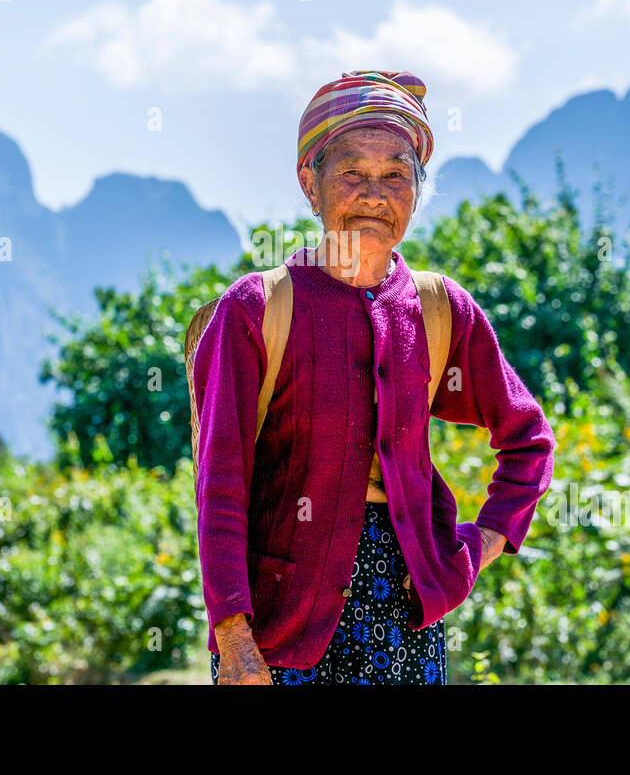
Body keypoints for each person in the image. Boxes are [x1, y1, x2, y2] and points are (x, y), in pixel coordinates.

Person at [192, 70, 555, 685]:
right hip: (282, 627)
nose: (374, 193)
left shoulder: (441, 309)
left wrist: (482, 544)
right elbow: (220, 481)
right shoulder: (255, 310)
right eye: (351, 173)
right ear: (310, 183)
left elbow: (528, 440)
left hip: (408, 623)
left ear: (416, 192)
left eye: (395, 175)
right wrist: (232, 636)